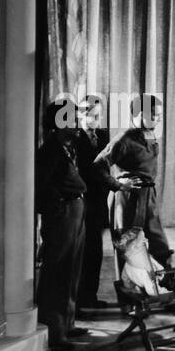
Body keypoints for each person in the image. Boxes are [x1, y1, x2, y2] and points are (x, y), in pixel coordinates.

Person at [94, 96, 175, 284]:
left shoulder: (150, 134)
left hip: (148, 196)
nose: (158, 119)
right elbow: (98, 166)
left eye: (159, 115)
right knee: (128, 247)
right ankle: (129, 297)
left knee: (159, 244)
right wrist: (118, 185)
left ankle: (165, 283)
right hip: (127, 198)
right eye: (154, 115)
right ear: (140, 114)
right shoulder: (124, 139)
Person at [36, 113, 89, 350]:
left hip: (75, 210)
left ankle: (67, 323)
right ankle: (55, 332)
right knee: (57, 271)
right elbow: (41, 185)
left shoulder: (68, 147)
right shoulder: (50, 150)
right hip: (63, 213)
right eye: (71, 121)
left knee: (72, 269)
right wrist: (58, 206)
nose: (77, 125)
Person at [115, 227, 175, 341]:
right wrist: (168, 292)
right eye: (143, 240)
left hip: (165, 282)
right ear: (135, 246)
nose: (147, 240)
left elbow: (156, 271)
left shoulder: (138, 257)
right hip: (159, 291)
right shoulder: (139, 267)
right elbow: (152, 290)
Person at [72, 100, 113, 310]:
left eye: (99, 116)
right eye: (92, 116)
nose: (96, 121)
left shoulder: (104, 136)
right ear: (80, 116)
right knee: (83, 252)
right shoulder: (75, 138)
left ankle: (90, 296)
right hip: (83, 200)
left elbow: (106, 164)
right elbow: (86, 170)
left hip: (98, 200)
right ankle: (79, 300)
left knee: (95, 251)